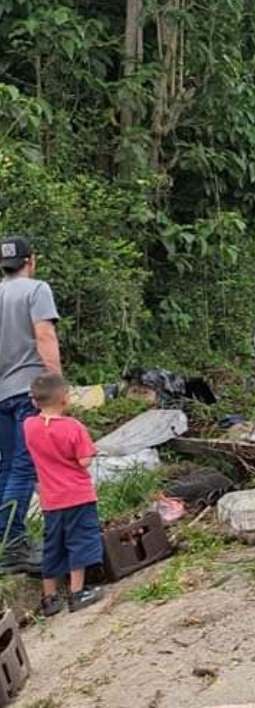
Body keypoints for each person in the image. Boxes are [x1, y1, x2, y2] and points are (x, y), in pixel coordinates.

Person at [0, 236, 60, 575]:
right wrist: (56, 385)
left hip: (2, 395)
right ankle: (12, 545)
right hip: (29, 392)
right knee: (24, 468)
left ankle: (8, 540)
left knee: (8, 467)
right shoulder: (36, 290)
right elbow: (45, 336)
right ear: (30, 261)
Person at [24, 372, 103, 615]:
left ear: (35, 401)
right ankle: (77, 592)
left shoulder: (29, 426)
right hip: (78, 496)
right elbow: (84, 460)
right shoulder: (73, 427)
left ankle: (49, 598)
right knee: (79, 541)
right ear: (65, 399)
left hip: (51, 500)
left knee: (53, 545)